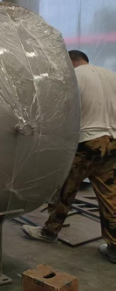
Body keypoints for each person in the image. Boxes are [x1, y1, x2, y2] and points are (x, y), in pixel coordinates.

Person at [22, 50, 116, 263]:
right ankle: (115, 247)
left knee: (65, 189)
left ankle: (49, 232)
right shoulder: (111, 76)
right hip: (112, 142)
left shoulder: (73, 78)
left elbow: (59, 113)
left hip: (88, 142)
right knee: (110, 196)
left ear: (70, 62)